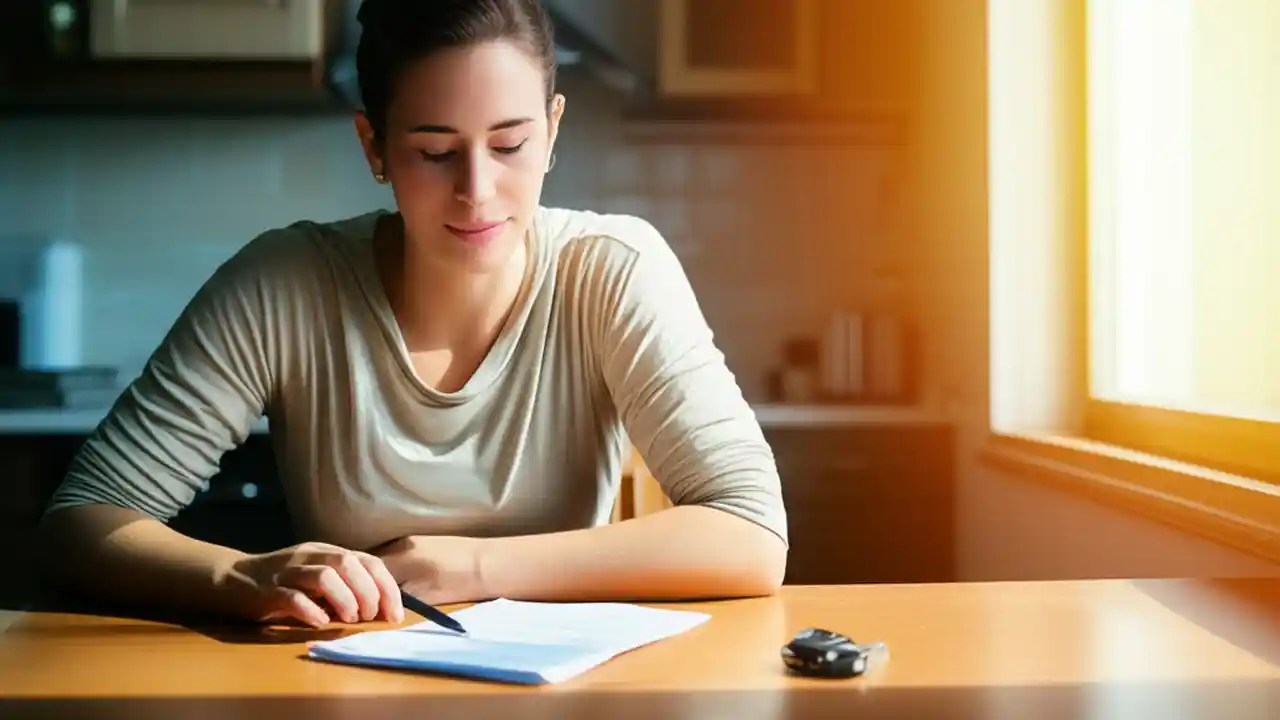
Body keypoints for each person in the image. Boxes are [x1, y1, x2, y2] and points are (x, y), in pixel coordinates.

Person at [36, 0, 787, 629]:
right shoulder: (286, 285)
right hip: (341, 690)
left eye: (511, 144)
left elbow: (752, 533)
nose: (478, 190)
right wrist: (239, 576)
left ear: (553, 130)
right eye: (434, 152)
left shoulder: (613, 271)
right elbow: (80, 522)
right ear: (375, 146)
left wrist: (476, 564)